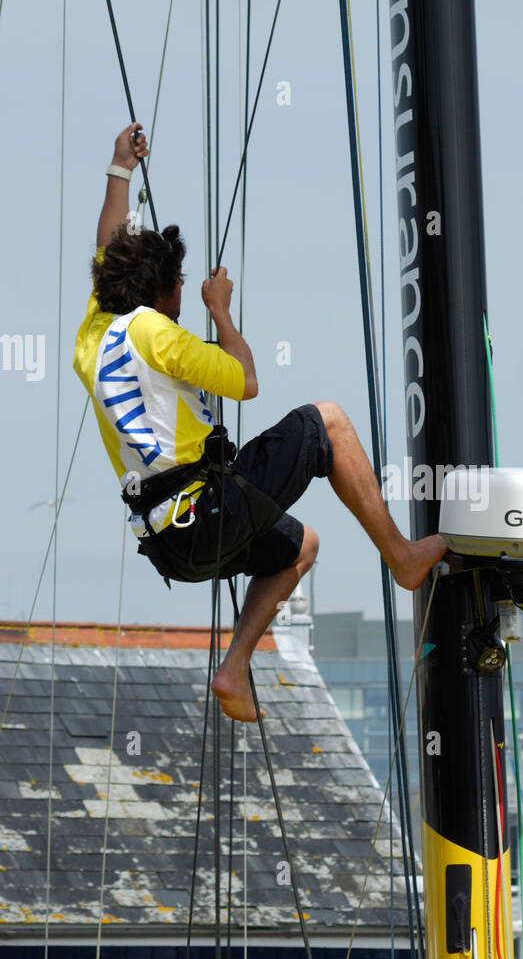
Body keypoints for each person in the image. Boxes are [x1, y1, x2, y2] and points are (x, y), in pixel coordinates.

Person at [74, 125, 446, 721]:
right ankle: (401, 557)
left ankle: (233, 668)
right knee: (329, 423)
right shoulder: (157, 332)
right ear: (163, 293)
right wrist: (219, 310)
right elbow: (247, 381)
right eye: (177, 287)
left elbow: (108, 247)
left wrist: (120, 168)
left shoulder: (95, 335)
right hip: (205, 512)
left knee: (301, 545)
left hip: (167, 543)